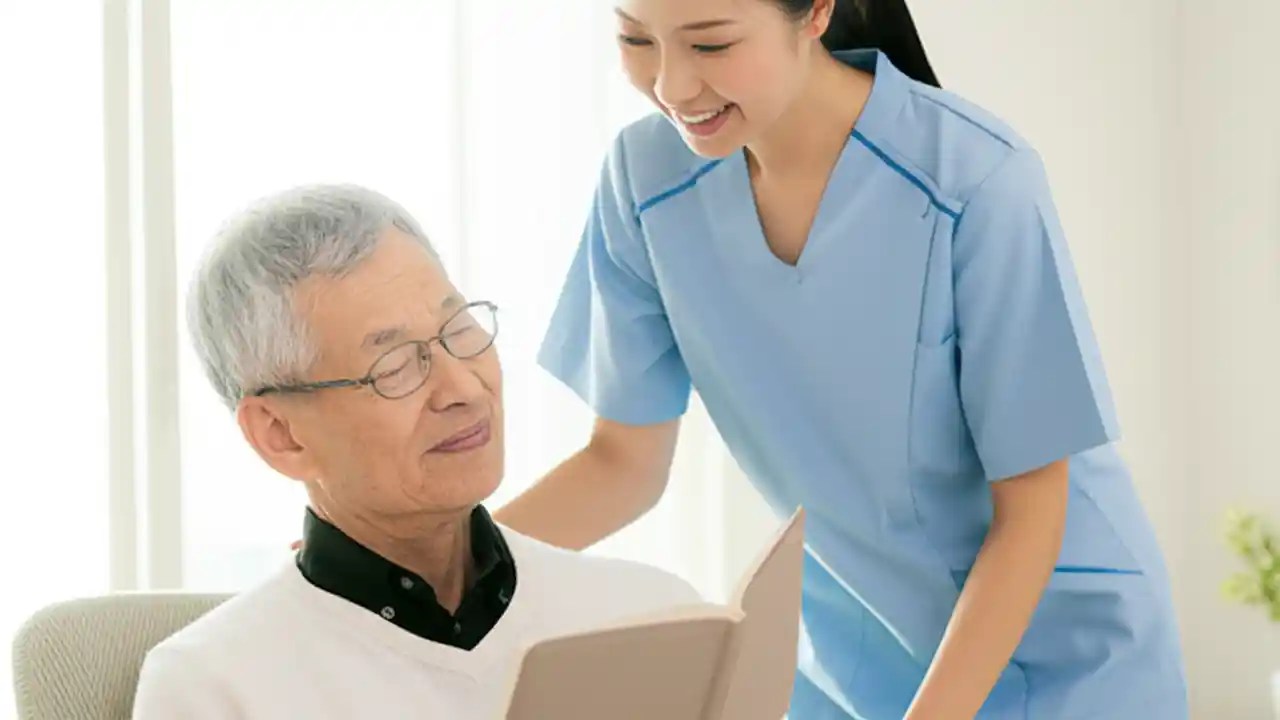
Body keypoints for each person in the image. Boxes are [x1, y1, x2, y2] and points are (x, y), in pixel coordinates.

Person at [494, 0, 1188, 718]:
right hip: (855, 656)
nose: (671, 86)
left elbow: (1032, 514)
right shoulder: (645, 182)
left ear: (817, 10)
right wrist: (424, 578)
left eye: (710, 45)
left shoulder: (974, 179)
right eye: (635, 38)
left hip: (1066, 659)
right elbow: (622, 466)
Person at [132, 185, 700, 719]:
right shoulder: (212, 687)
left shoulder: (648, 616)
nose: (463, 388)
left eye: (460, 330)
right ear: (282, 434)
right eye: (396, 366)